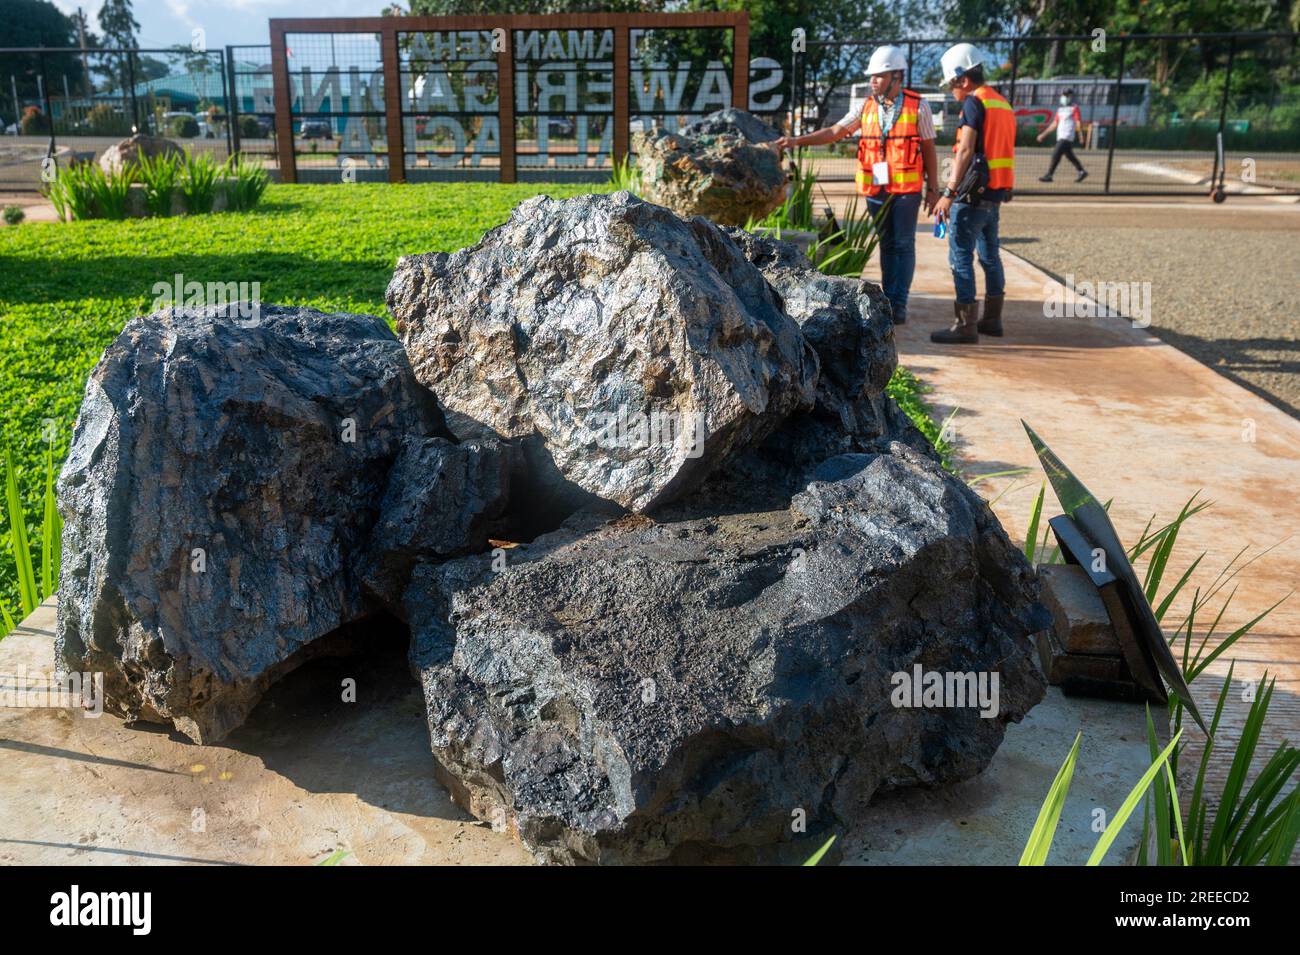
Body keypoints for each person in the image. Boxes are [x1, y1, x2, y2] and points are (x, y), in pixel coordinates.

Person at [773, 45, 939, 326]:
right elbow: (836, 132)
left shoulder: (918, 105)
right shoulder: (865, 106)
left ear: (896, 76)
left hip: (907, 189)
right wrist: (796, 141)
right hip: (877, 189)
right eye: (872, 76)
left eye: (879, 76)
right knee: (887, 244)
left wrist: (933, 189)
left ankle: (900, 302)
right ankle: (889, 299)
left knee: (903, 243)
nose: (873, 81)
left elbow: (928, 148)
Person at [930, 43, 1016, 345]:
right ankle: (992, 320)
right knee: (990, 256)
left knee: (960, 256)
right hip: (995, 195)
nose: (953, 92)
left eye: (952, 85)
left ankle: (965, 325)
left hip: (972, 195)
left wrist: (948, 193)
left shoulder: (973, 103)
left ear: (963, 79)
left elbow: (966, 149)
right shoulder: (1002, 103)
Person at [1037, 89, 1088, 183]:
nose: (1064, 97)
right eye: (1063, 95)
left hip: (1067, 136)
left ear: (1071, 97)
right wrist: (1043, 134)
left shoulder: (1074, 108)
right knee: (1069, 156)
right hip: (1060, 136)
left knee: (1056, 154)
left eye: (1066, 95)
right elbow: (1054, 124)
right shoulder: (1060, 109)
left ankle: (1049, 175)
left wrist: (1081, 135)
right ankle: (1082, 171)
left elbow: (1078, 122)